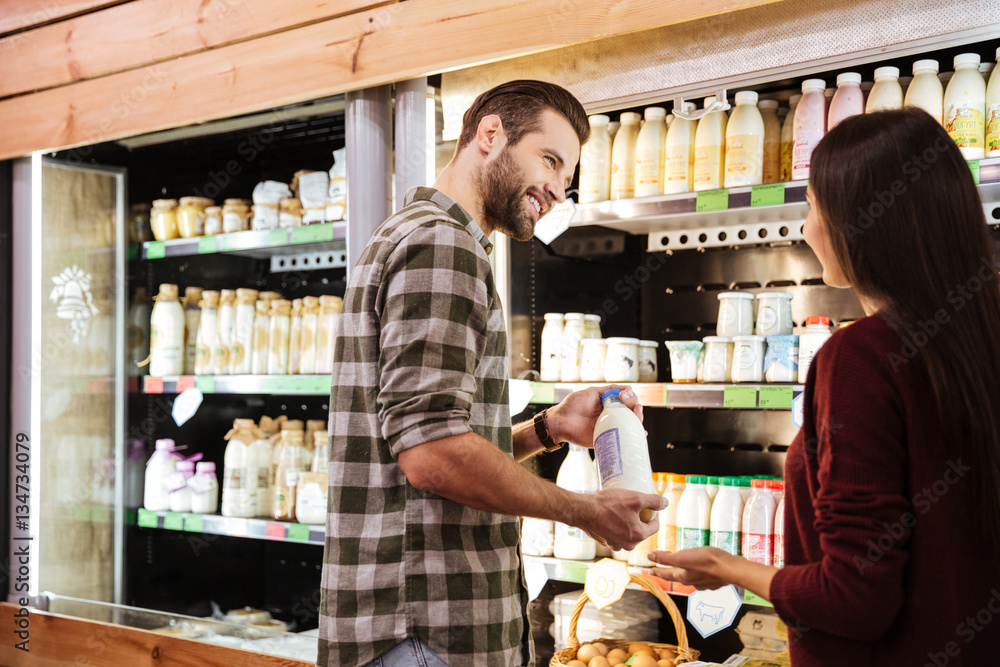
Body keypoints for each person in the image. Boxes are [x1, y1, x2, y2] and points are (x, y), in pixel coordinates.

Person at [317, 80, 666, 667]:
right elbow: (430, 455)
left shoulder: (418, 232)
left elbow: (432, 440)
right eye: (549, 160)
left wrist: (547, 429)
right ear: (490, 134)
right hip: (427, 626)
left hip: (416, 624)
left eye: (568, 175)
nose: (557, 189)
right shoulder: (442, 245)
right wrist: (587, 511)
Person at [649, 107, 1000, 664]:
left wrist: (725, 567)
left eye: (813, 206)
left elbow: (854, 598)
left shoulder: (861, 357)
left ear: (861, 223)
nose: (805, 227)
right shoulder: (978, 338)